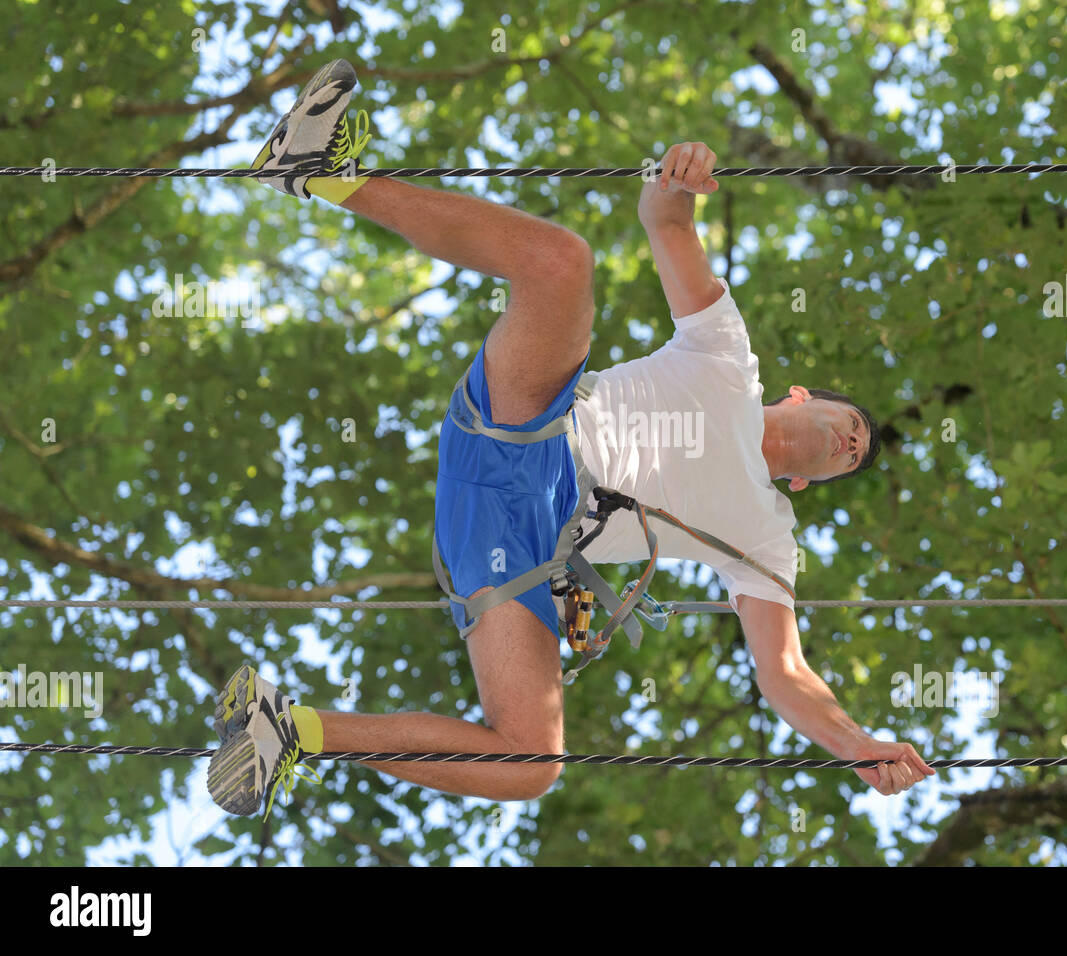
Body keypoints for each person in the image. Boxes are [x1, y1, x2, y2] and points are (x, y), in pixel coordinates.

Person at [207, 59, 934, 819]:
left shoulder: (768, 539)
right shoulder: (730, 359)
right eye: (852, 425)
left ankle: (288, 731)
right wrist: (677, 174)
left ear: (806, 486)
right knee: (562, 263)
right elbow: (666, 222)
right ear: (801, 394)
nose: (852, 444)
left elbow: (786, 674)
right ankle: (317, 174)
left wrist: (856, 743)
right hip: (526, 425)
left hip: (517, 549)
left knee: (534, 763)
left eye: (854, 456)